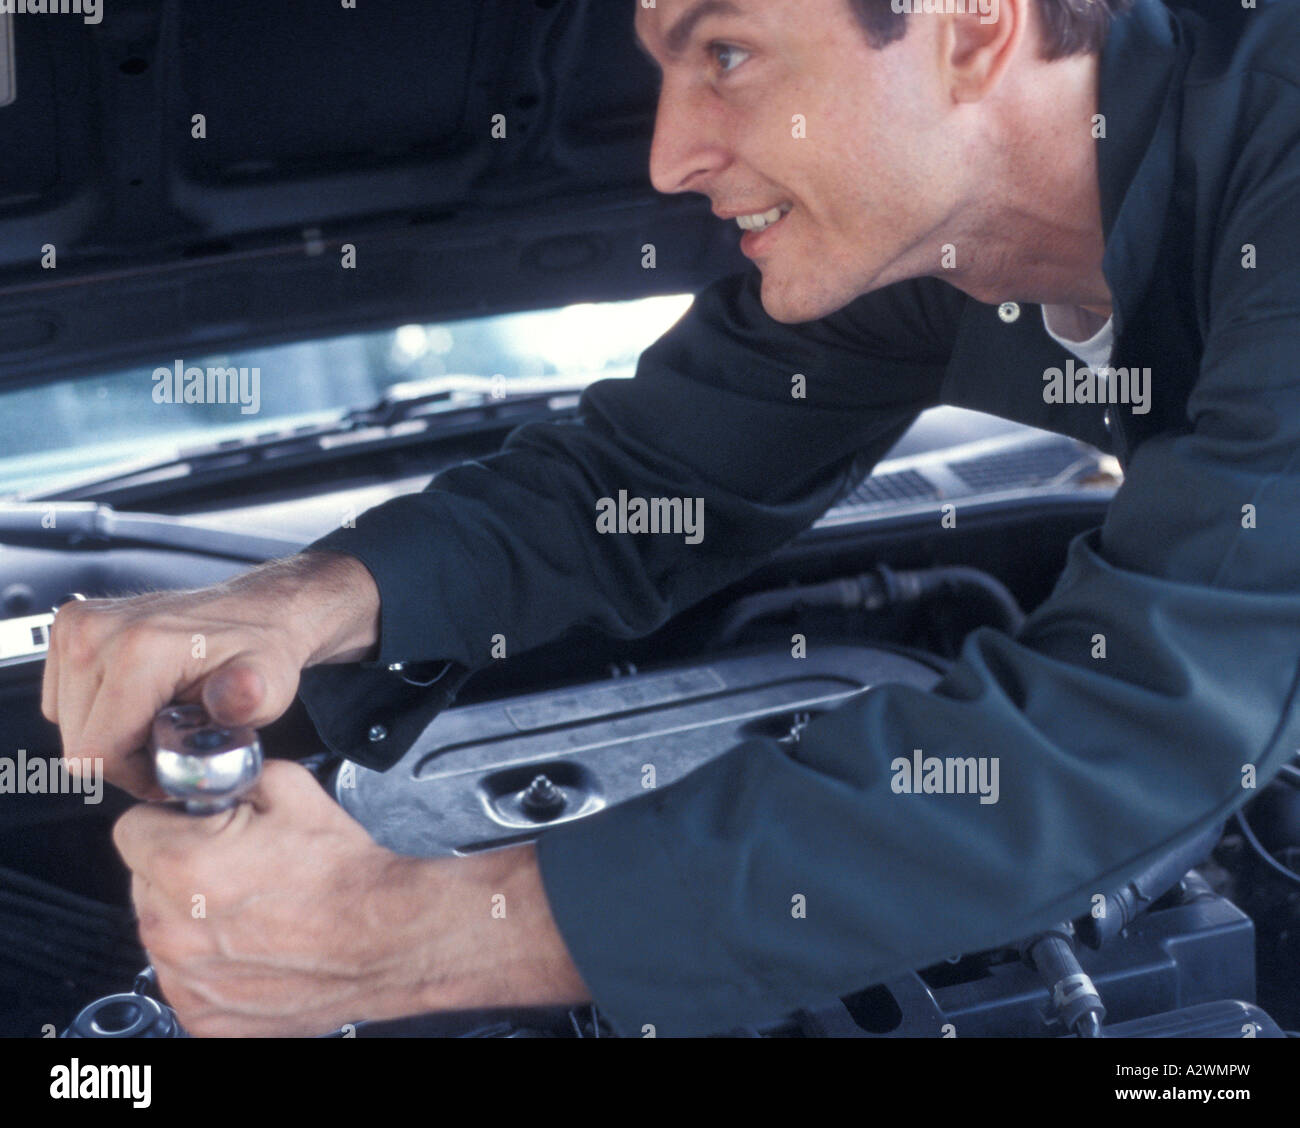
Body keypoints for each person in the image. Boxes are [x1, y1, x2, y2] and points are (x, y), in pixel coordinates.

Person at [42, 0, 1300, 1036]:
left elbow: (1153, 705)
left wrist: (415, 935)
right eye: (663, 70)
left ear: (973, 27)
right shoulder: (934, 244)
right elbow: (639, 485)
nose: (666, 157)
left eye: (727, 55)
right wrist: (297, 605)